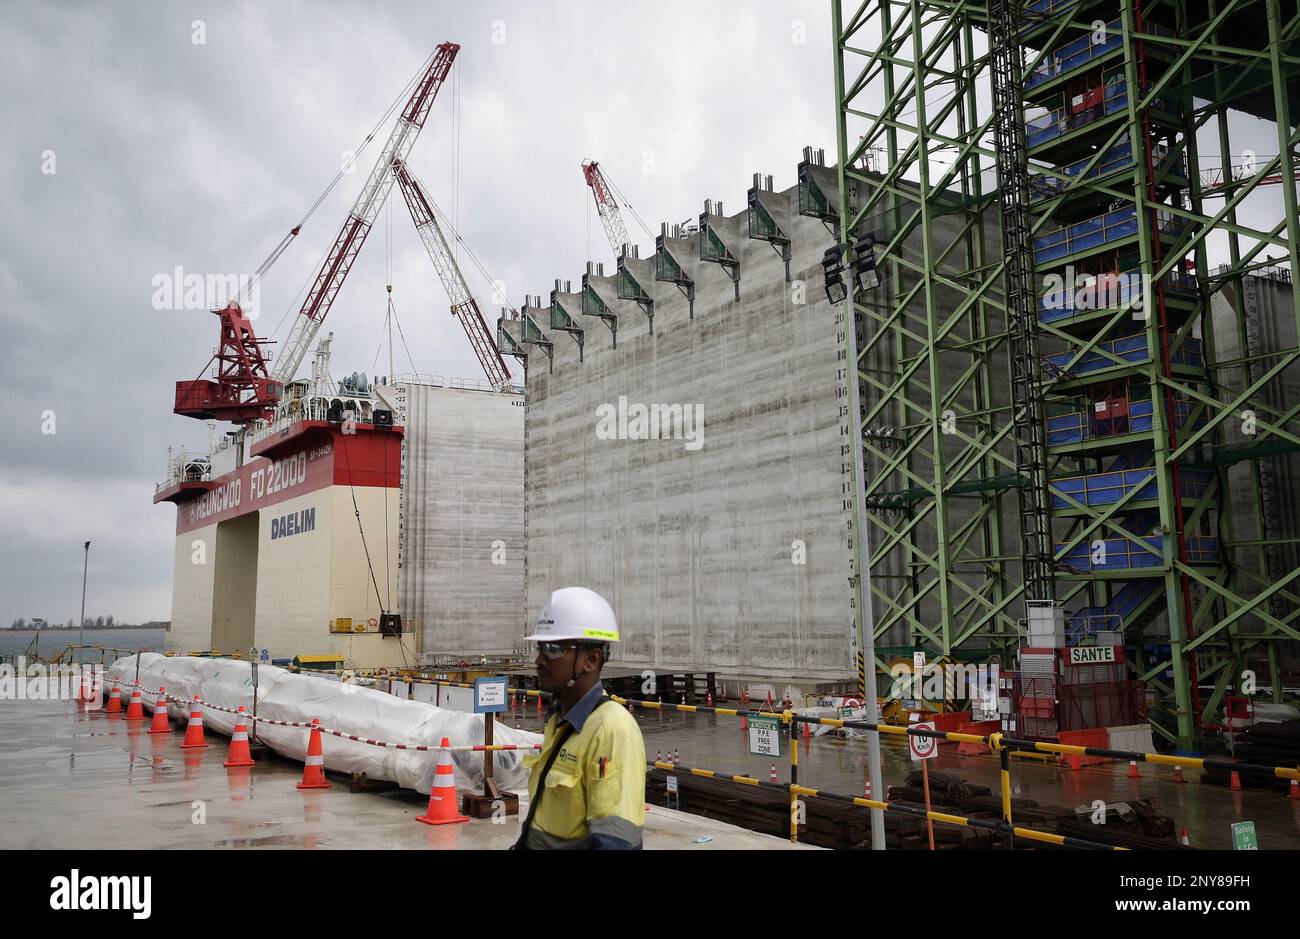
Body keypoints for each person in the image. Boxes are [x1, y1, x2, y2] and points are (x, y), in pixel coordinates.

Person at [512, 587, 646, 850]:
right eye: (540, 648)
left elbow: (615, 844)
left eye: (553, 649)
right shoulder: (559, 720)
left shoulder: (611, 730)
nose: (539, 660)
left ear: (591, 660)